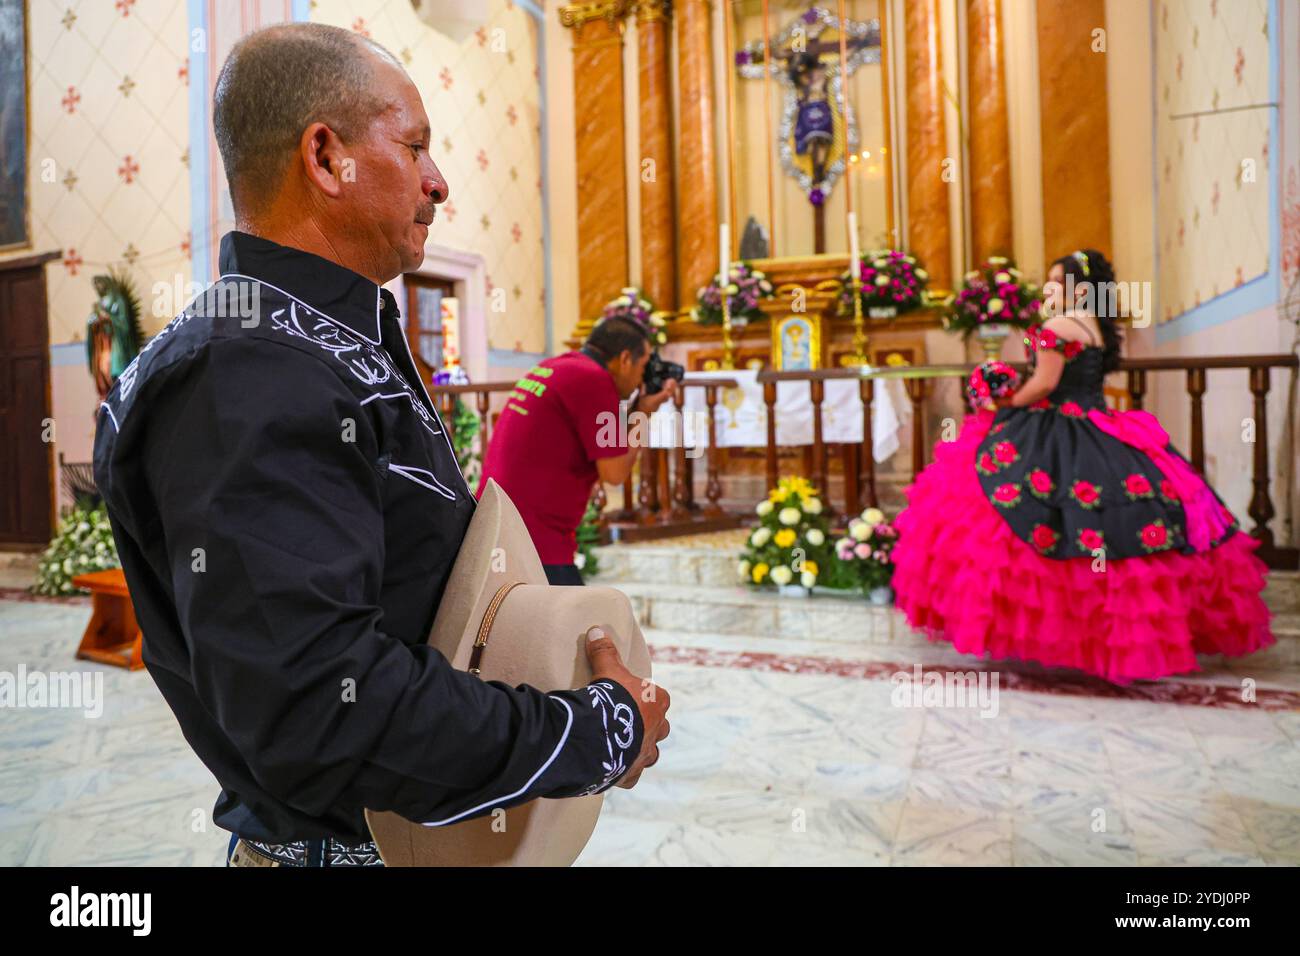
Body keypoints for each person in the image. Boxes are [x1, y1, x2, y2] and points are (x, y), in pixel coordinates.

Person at [92, 22, 669, 868]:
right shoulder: (248, 368)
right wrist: (590, 732)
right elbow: (320, 709)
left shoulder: (313, 340)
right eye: (417, 146)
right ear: (327, 158)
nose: (440, 183)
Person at [891, 249, 1274, 684]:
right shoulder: (1095, 326)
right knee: (1115, 520)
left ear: (1080, 288)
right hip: (1099, 424)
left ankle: (1050, 635)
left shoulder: (1057, 325)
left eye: (1058, 281)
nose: (1049, 288)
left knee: (1014, 513)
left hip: (1053, 429)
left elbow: (1046, 383)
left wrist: (1004, 400)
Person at [478, 315, 678, 585]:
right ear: (625, 359)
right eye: (643, 367)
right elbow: (615, 473)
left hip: (501, 526)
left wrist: (639, 410)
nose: (641, 378)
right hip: (535, 539)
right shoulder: (594, 381)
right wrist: (644, 414)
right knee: (574, 625)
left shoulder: (558, 367)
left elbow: (609, 442)